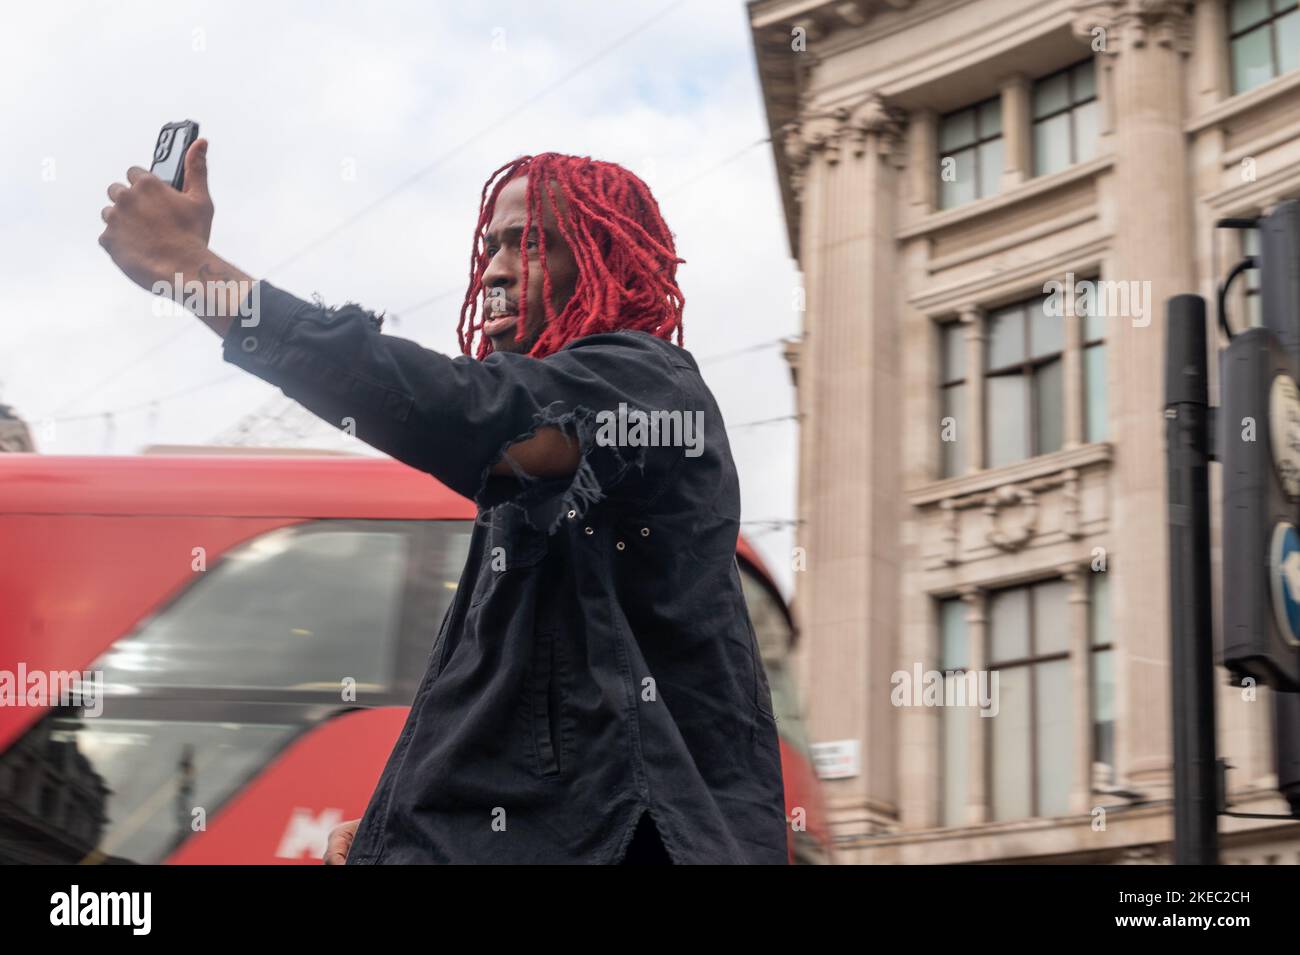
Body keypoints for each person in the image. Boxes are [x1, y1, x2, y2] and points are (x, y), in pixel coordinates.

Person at [99, 140, 788, 864]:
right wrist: (391, 832)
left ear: (604, 259)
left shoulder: (648, 388)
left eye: (529, 245)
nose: (492, 268)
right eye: (489, 245)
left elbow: (467, 412)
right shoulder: (540, 482)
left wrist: (195, 272)